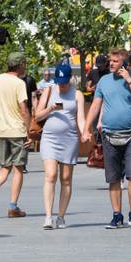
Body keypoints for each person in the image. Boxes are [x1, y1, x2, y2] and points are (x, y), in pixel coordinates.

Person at [83, 49, 131, 229]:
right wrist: (86, 127)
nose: (110, 63)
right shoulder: (104, 81)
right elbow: (96, 105)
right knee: (113, 177)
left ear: (125, 64)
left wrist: (129, 80)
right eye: (110, 60)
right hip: (109, 135)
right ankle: (116, 214)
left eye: (115, 61)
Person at [35, 61, 84, 230]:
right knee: (50, 175)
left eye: (64, 83)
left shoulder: (77, 94)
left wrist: (85, 132)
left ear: (70, 79)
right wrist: (50, 109)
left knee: (66, 179)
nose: (61, 86)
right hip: (50, 138)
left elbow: (81, 119)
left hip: (69, 139)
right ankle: (48, 216)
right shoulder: (49, 91)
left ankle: (61, 216)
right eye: (59, 82)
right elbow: (37, 116)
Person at [0, 52, 32, 218]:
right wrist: (28, 132)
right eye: (24, 64)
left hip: (1, 130)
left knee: (5, 167)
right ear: (19, 65)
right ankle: (13, 207)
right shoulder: (19, 83)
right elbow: (24, 110)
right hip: (17, 131)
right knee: (18, 168)